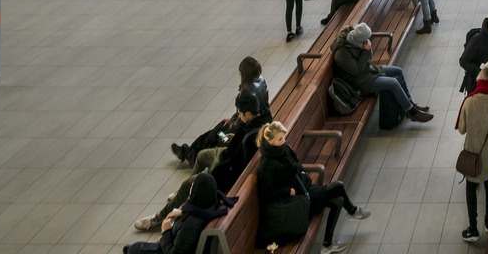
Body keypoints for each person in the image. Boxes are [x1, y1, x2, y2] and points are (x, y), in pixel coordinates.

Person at [138, 93, 266, 232]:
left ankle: (160, 218)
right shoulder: (257, 121)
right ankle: (186, 192)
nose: (239, 117)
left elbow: (238, 165)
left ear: (248, 114)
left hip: (226, 169)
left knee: (187, 184)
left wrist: (212, 172)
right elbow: (238, 149)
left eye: (240, 114)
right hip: (226, 154)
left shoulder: (252, 137)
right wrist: (235, 138)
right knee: (201, 155)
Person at [256, 121, 368, 253]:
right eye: (280, 139)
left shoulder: (283, 150)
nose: (284, 141)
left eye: (284, 137)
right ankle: (353, 211)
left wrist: (302, 174)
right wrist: (288, 191)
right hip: (297, 201)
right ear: (269, 141)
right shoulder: (267, 164)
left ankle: (327, 245)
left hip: (305, 190)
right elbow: (266, 193)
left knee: (338, 201)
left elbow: (296, 165)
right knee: (338, 186)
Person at [331, 23, 433, 123]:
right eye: (366, 39)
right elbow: (356, 71)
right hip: (360, 83)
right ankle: (412, 113)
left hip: (368, 71)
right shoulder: (341, 53)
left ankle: (410, 103)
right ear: (359, 39)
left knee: (397, 71)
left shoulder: (355, 41)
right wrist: (366, 51)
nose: (368, 41)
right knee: (393, 83)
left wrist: (367, 50)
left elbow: (367, 60)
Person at [457, 59, 488, 243]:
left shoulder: (469, 101)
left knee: (471, 189)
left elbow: (462, 129)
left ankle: (472, 229)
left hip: (473, 156)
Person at [132, 171, 233, 253]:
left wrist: (165, 231)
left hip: (175, 247)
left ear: (197, 192)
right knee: (135, 248)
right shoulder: (211, 203)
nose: (191, 186)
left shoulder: (190, 224)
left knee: (134, 249)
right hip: (183, 242)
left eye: (193, 185)